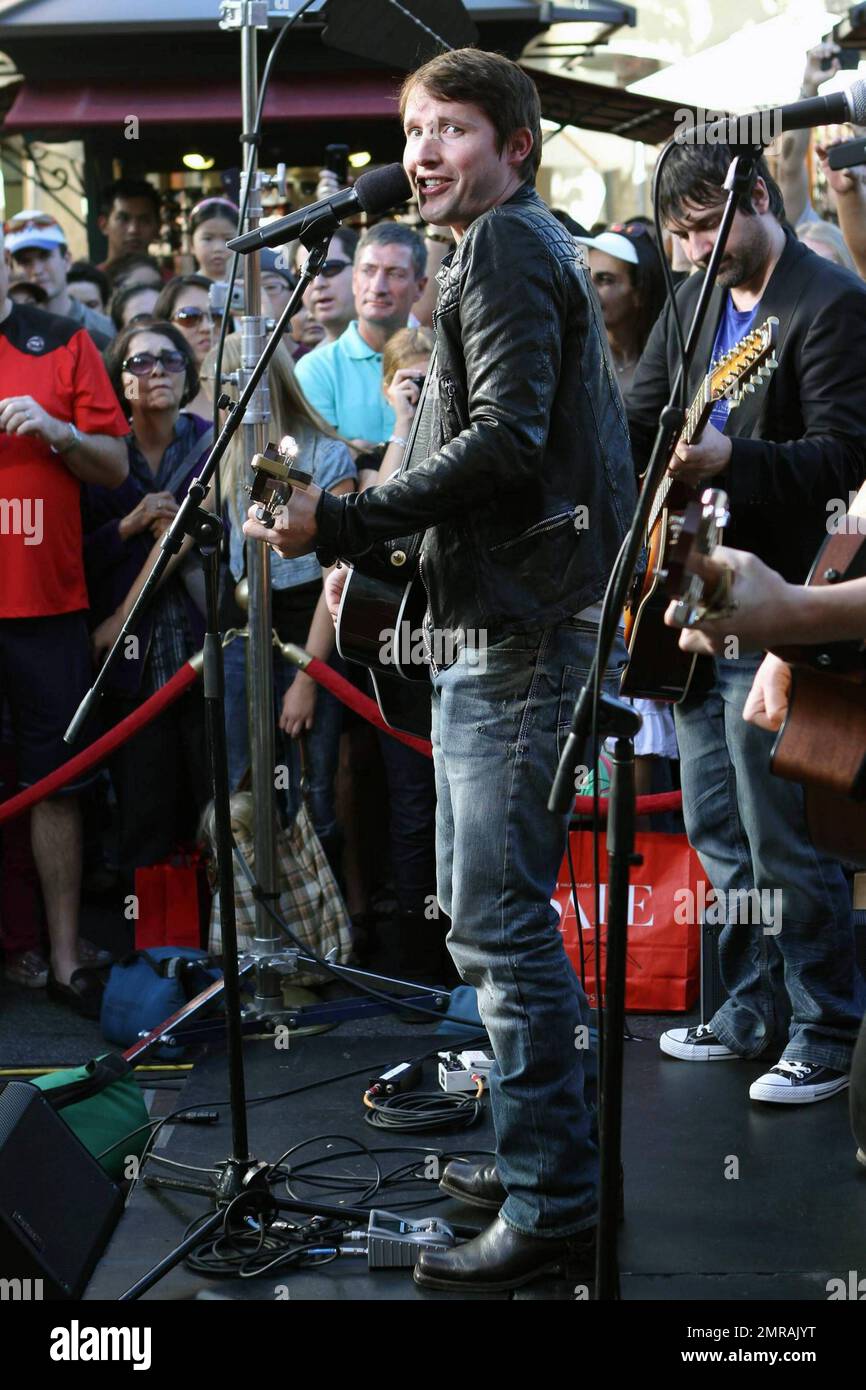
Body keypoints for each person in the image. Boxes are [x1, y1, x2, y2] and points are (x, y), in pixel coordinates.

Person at [243, 47, 635, 1291]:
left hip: (521, 631)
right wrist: (365, 530)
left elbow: (506, 443)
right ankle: (542, 1164)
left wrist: (344, 522)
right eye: (413, 128)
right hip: (513, 617)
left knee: (497, 924)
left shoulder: (509, 244)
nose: (421, 150)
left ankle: (553, 1205)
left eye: (451, 128)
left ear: (513, 146)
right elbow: (498, 450)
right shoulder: (498, 247)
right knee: (492, 922)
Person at [627, 137, 866, 1104]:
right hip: (689, 595)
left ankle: (827, 1026)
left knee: (781, 834)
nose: (695, 251)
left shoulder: (829, 302)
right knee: (716, 824)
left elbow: (848, 462)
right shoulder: (692, 302)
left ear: (758, 197)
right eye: (682, 236)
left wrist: (736, 459)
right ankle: (752, 1005)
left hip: (778, 596)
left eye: (706, 229)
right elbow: (640, 416)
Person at [0, 230, 129, 1016]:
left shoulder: (62, 341)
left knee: (57, 785)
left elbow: (114, 464)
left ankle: (63, 955)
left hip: (47, 606)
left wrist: (58, 431)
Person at [84, 321, 212, 883]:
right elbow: (76, 556)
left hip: (206, 658)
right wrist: (128, 526)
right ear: (119, 380)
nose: (156, 370)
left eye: (170, 359)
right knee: (143, 820)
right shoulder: (102, 459)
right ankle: (150, 933)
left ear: (188, 375)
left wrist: (120, 618)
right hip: (130, 672)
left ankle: (219, 931)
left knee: (216, 815)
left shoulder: (214, 444)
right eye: (139, 361)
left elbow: (199, 538)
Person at [294, 220, 427, 453]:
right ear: (355, 280)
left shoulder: (438, 358)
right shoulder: (316, 369)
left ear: (420, 287)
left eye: (395, 274)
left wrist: (362, 454)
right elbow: (323, 466)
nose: (378, 287)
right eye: (368, 271)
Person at [578, 221, 667, 394]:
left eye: (605, 280)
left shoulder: (671, 363)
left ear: (639, 293)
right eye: (585, 277)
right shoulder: (571, 360)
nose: (589, 290)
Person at [6, 210, 115, 347]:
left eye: (45, 256)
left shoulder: (105, 329)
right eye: (25, 261)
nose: (37, 270)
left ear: (67, 260)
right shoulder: (7, 331)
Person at [152, 275, 216, 423]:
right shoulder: (152, 383)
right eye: (189, 317)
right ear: (165, 324)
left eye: (217, 316)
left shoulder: (247, 382)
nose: (207, 327)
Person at [293, 227, 358, 347]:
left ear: (359, 271)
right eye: (304, 275)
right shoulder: (312, 359)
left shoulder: (392, 347)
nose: (318, 284)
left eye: (331, 269)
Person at [259, 249, 324, 359]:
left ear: (293, 294)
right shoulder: (229, 349)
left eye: (270, 287)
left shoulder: (311, 362)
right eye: (248, 290)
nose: (261, 297)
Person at [98, 179, 161, 266]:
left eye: (144, 220)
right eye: (123, 219)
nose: (133, 230)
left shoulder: (166, 276)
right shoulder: (88, 275)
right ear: (104, 225)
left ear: (158, 227)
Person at [188, 197, 238, 282]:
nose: (218, 248)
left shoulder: (251, 286)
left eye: (228, 239)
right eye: (207, 239)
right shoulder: (185, 288)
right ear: (191, 244)